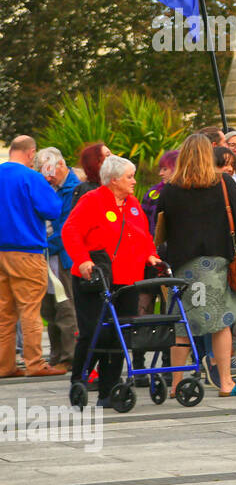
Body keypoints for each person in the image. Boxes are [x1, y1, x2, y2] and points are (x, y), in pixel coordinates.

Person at [155, 133, 236, 398]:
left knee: (182, 325)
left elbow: (160, 229)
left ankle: (176, 384)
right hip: (217, 262)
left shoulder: (171, 189)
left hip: (182, 266)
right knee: (220, 323)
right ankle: (225, 382)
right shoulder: (224, 184)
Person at [61, 155, 164, 402]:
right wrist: (83, 259)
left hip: (127, 279)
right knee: (94, 331)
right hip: (96, 279)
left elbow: (144, 235)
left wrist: (151, 255)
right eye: (129, 176)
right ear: (114, 179)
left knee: (121, 333)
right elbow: (70, 231)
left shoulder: (132, 204)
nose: (134, 181)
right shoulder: (92, 200)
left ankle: (109, 389)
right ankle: (80, 378)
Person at [1, 136, 64, 378]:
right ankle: (35, 363)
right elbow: (52, 210)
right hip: (26, 250)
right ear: (31, 154)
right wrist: (47, 186)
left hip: (0, 251)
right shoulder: (31, 177)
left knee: (4, 313)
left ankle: (5, 365)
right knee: (29, 309)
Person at [35, 146, 80, 371]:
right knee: (49, 309)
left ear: (61, 164)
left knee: (65, 306)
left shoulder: (73, 189)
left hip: (62, 257)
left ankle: (69, 356)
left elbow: (66, 230)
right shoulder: (49, 186)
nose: (47, 176)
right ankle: (56, 353)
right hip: (47, 256)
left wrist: (43, 246)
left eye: (50, 170)